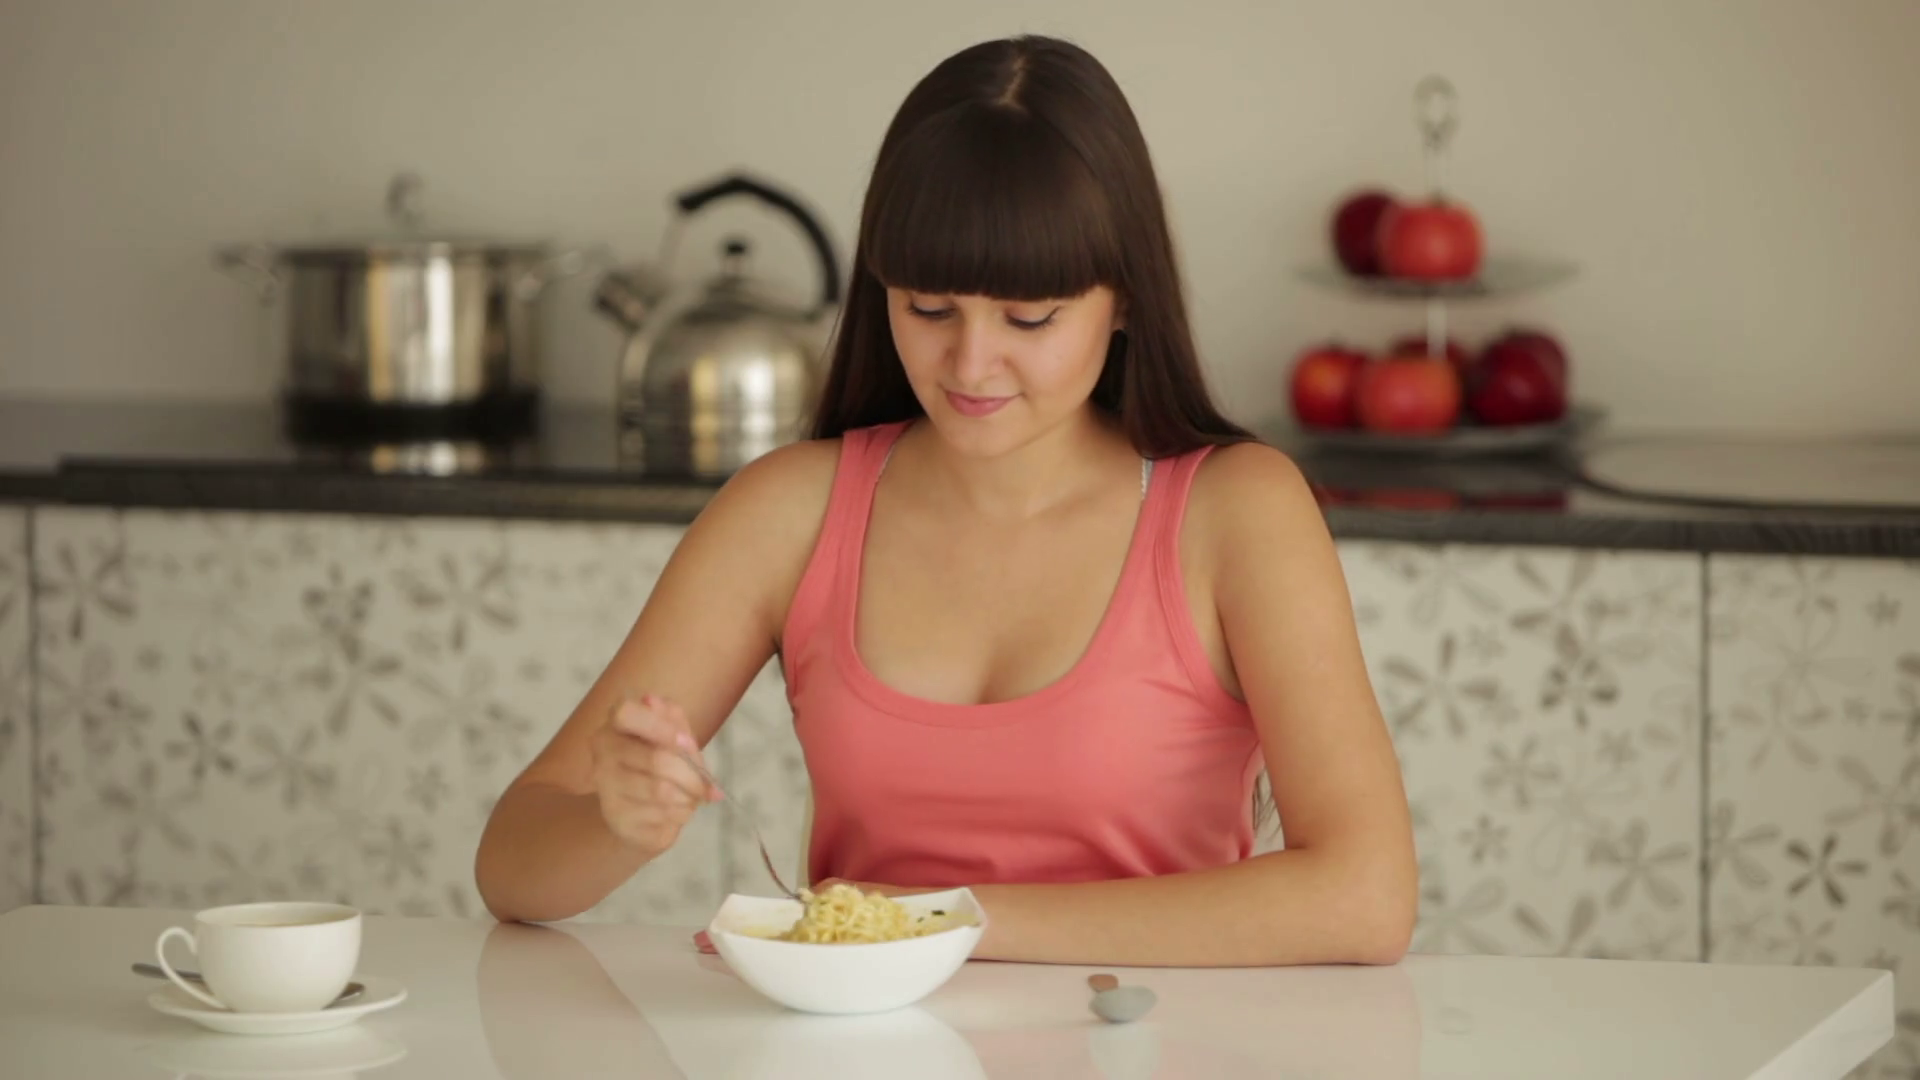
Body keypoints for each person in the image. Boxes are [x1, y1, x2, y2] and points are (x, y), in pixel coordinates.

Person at [476, 34, 1416, 968]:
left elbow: (1365, 895)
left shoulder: (1234, 511)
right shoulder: (789, 513)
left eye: (1030, 318)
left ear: (1126, 298)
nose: (970, 365)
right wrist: (616, 822)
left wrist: (945, 921)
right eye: (929, 308)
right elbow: (513, 869)